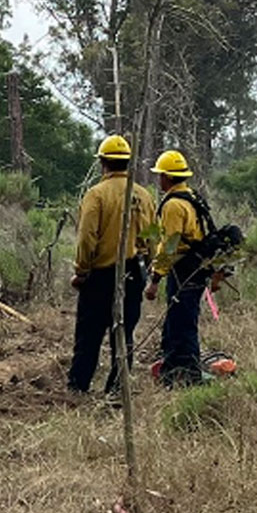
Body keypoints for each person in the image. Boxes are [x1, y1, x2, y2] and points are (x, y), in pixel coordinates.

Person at [69, 135, 158, 399]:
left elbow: (87, 237)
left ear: (103, 163)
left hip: (100, 277)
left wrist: (81, 271)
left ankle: (78, 388)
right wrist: (150, 270)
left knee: (89, 336)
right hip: (134, 274)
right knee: (124, 334)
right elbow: (153, 239)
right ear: (126, 162)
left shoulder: (96, 195)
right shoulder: (144, 195)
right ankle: (117, 390)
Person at [145, 149, 208, 386]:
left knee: (182, 325)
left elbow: (169, 245)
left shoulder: (173, 205)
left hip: (182, 270)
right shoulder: (192, 197)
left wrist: (154, 280)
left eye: (160, 175)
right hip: (195, 267)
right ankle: (170, 374)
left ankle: (192, 379)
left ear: (168, 177)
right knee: (177, 322)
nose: (158, 179)